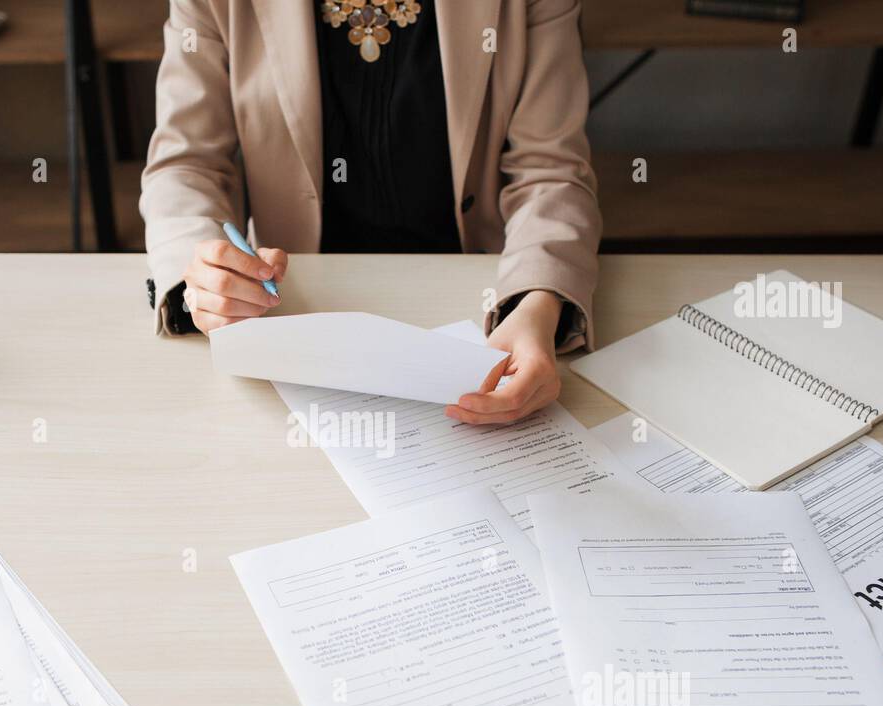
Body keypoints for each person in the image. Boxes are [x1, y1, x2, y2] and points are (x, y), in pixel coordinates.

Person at [140, 0, 600, 424]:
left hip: (480, 300)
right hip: (296, 312)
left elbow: (551, 170)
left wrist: (536, 301)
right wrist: (203, 278)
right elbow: (187, 163)